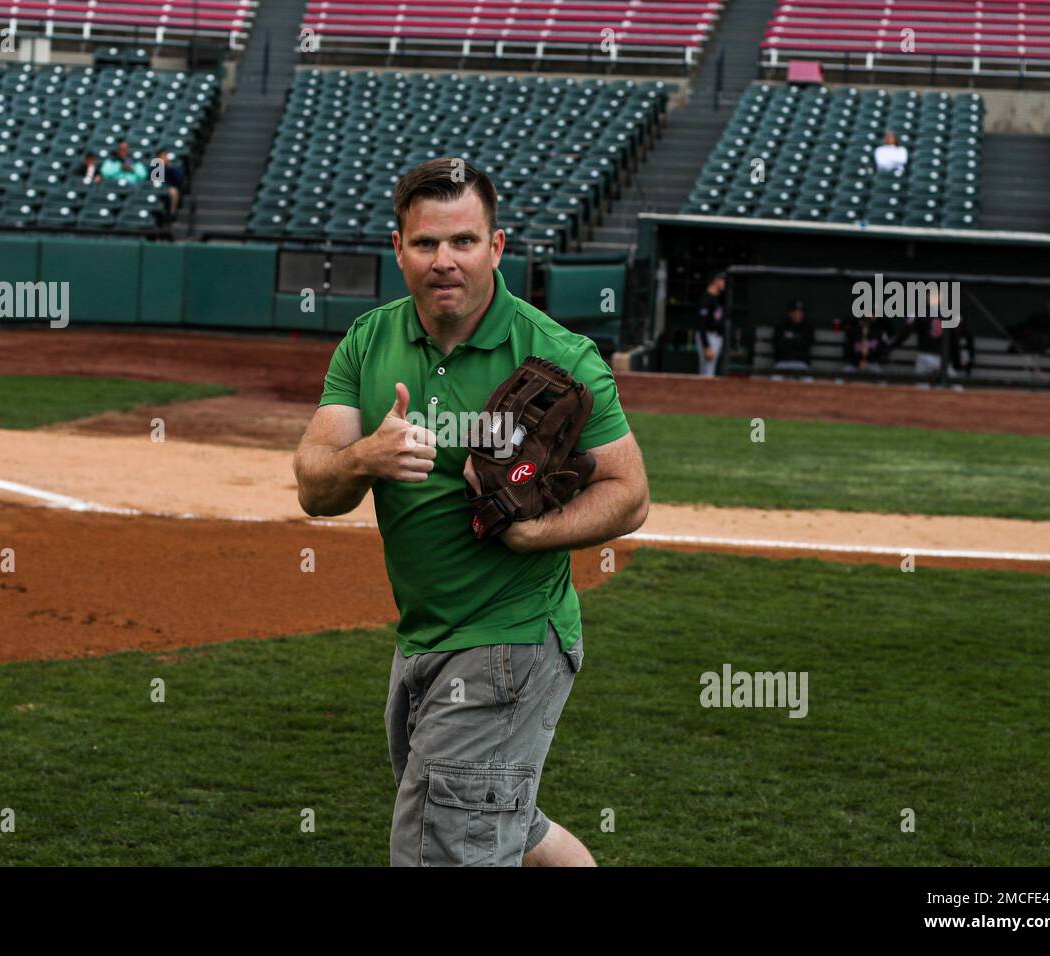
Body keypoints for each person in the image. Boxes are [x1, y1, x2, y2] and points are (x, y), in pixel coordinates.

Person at [293, 158, 649, 867]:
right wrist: (364, 457)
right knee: (502, 821)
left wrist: (536, 533)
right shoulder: (368, 342)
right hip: (425, 633)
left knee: (442, 845)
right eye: (425, 244)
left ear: (497, 246)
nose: (444, 261)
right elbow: (313, 484)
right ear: (398, 250)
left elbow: (629, 493)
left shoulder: (556, 354)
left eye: (463, 241)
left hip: (509, 639)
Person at [771, 298, 813, 372]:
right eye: (796, 312)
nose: (799, 315)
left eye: (801, 312)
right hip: (782, 363)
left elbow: (805, 346)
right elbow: (778, 346)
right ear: (790, 313)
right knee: (776, 379)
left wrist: (790, 339)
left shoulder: (807, 327)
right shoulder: (781, 326)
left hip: (801, 363)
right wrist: (797, 340)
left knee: (808, 381)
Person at [696, 272, 727, 376]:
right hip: (708, 336)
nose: (724, 283)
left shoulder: (717, 298)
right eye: (722, 280)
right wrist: (706, 346)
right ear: (715, 280)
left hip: (716, 337)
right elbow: (701, 324)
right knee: (706, 372)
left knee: (709, 371)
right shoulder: (706, 298)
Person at [154, 148, 186, 214]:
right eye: (162, 156)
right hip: (155, 187)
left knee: (174, 191)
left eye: (165, 156)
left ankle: (172, 211)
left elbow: (179, 179)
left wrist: (170, 167)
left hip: (168, 187)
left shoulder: (173, 167)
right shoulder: (154, 166)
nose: (164, 158)